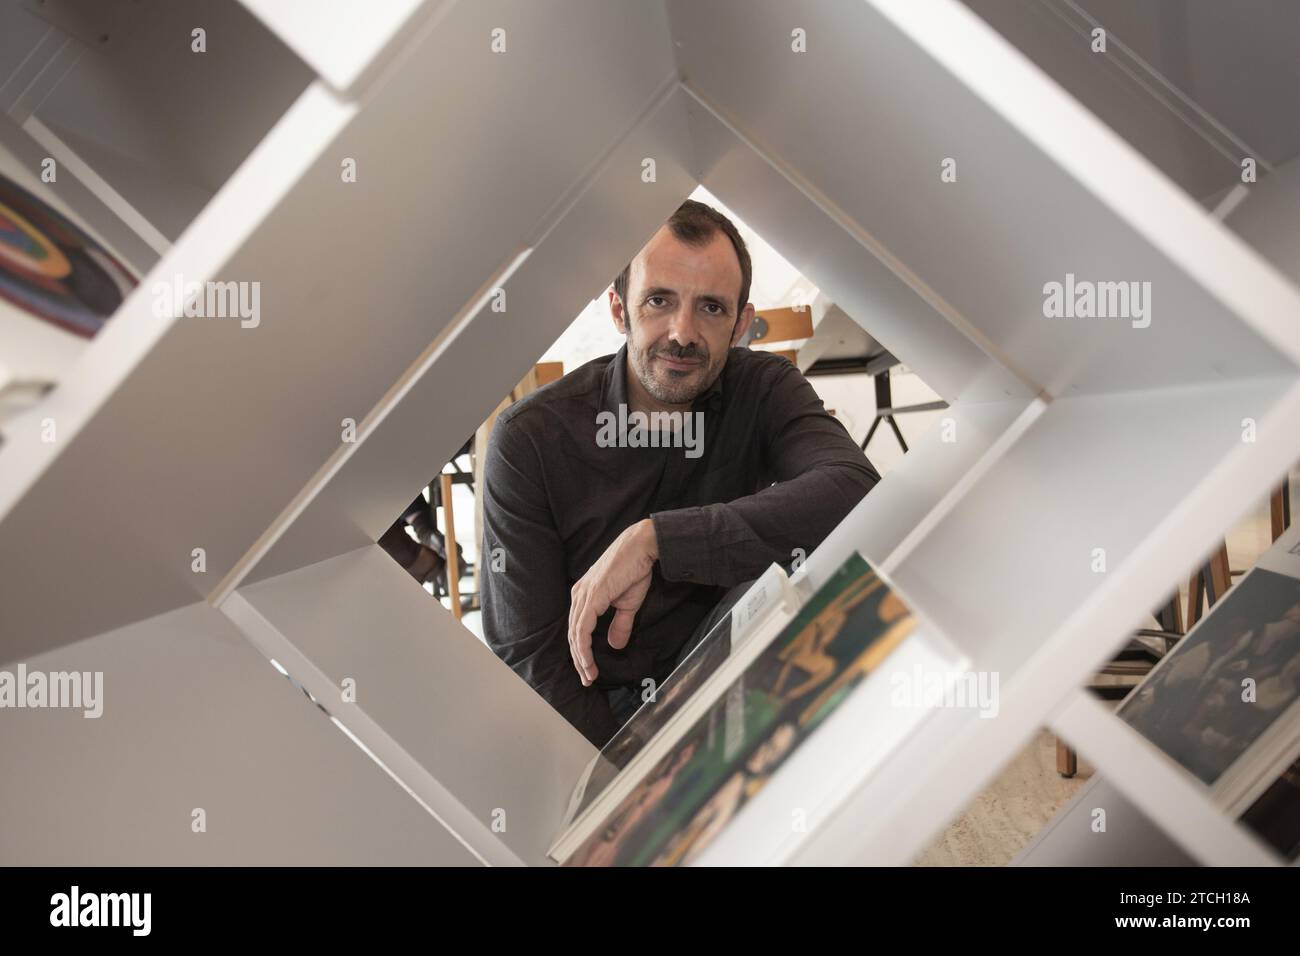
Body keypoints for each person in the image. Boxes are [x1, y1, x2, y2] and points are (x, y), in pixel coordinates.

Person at [480, 199, 880, 747]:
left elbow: (854, 489)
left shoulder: (763, 388)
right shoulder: (529, 438)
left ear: (741, 325)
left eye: (711, 308)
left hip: (730, 669)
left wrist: (659, 541)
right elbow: (529, 655)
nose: (682, 333)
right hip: (600, 713)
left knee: (831, 599)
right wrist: (629, 771)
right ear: (619, 310)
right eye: (659, 301)